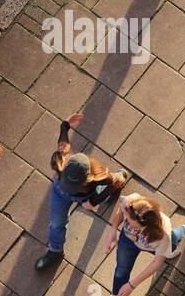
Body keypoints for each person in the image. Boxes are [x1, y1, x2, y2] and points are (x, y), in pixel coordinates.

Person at [34, 112, 128, 272]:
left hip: (87, 195)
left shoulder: (98, 177)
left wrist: (93, 202)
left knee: (114, 181)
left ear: (86, 179)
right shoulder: (61, 163)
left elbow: (115, 184)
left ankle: (120, 172)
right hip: (59, 193)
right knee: (56, 224)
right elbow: (63, 142)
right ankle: (55, 251)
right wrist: (65, 125)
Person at [90, 193, 185, 296]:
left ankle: (182, 232)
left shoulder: (163, 235)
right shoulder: (131, 203)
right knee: (121, 270)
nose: (125, 220)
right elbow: (121, 211)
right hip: (128, 241)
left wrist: (132, 285)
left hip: (153, 245)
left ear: (145, 226)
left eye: (129, 222)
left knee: (171, 246)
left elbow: (157, 264)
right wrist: (113, 230)